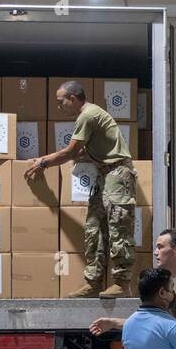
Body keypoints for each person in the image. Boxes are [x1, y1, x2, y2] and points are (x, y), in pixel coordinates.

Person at [24, 80, 135, 298]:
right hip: (105, 174)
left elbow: (71, 151)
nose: (59, 107)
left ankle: (122, 283)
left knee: (117, 228)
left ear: (73, 99)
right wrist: (45, 159)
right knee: (94, 228)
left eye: (61, 102)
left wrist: (43, 162)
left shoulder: (88, 115)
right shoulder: (87, 116)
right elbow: (79, 153)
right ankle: (93, 283)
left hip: (118, 174)